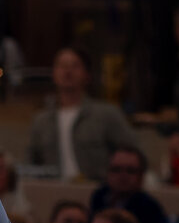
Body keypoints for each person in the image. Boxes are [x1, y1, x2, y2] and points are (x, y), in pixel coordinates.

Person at [27, 47, 139, 183]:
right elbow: (31, 164)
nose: (67, 71)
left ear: (87, 74)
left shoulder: (106, 114)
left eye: (75, 66)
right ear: (54, 74)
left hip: (97, 191)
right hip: (54, 191)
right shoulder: (41, 121)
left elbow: (134, 153)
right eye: (62, 66)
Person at [91, 145, 171, 223]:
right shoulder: (99, 198)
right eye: (116, 169)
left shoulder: (150, 208)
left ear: (141, 176)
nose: (123, 176)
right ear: (107, 173)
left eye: (130, 171)